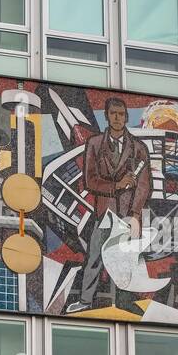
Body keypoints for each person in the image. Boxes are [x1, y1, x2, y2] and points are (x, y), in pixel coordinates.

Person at [67, 97, 152, 313]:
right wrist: (117, 185)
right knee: (94, 257)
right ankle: (86, 300)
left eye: (121, 114)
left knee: (125, 259)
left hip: (126, 215)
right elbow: (90, 180)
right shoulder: (94, 144)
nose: (117, 118)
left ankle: (124, 300)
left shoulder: (139, 148)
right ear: (106, 116)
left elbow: (143, 186)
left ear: (126, 117)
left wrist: (135, 215)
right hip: (105, 214)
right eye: (113, 113)